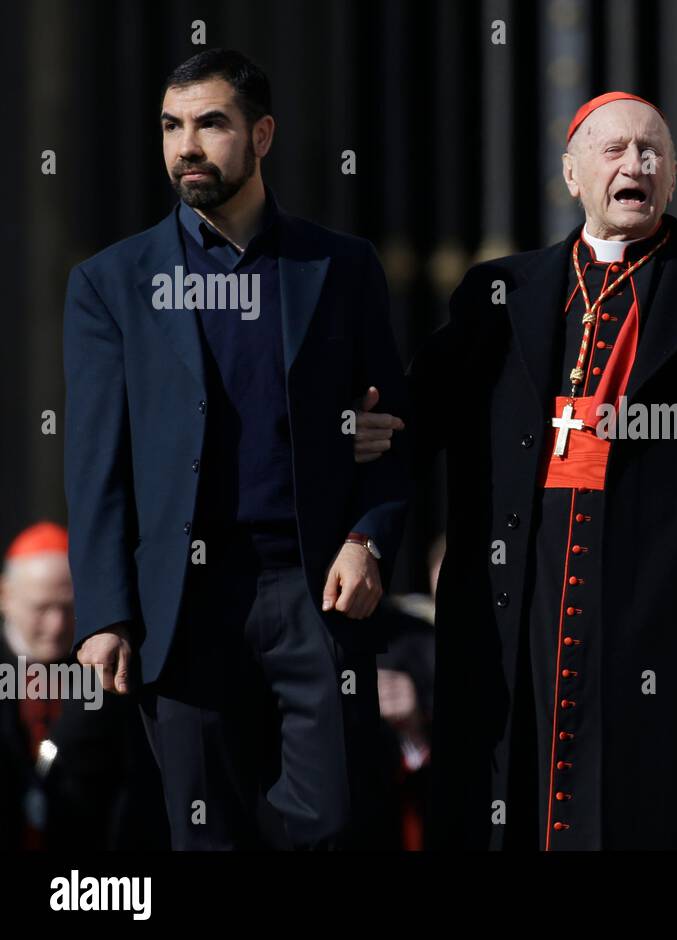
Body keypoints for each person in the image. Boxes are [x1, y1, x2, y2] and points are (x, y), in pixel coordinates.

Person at [357, 92, 677, 850]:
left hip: (664, 607)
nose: (634, 164)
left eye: (651, 152)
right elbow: (412, 420)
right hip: (520, 594)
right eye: (614, 150)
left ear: (672, 175)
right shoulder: (497, 294)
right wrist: (363, 456)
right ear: (571, 174)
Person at [63, 49, 410, 849]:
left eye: (210, 124)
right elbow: (95, 465)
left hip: (311, 589)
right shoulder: (110, 282)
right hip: (178, 606)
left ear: (261, 135)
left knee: (329, 827)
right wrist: (105, 612)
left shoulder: (342, 266)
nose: (186, 145)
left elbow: (393, 427)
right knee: (204, 833)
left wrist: (369, 538)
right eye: (172, 126)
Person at [0, 522, 167, 850]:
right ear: (5, 595)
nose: (57, 624)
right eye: (42, 608)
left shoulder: (108, 670)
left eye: (67, 607)